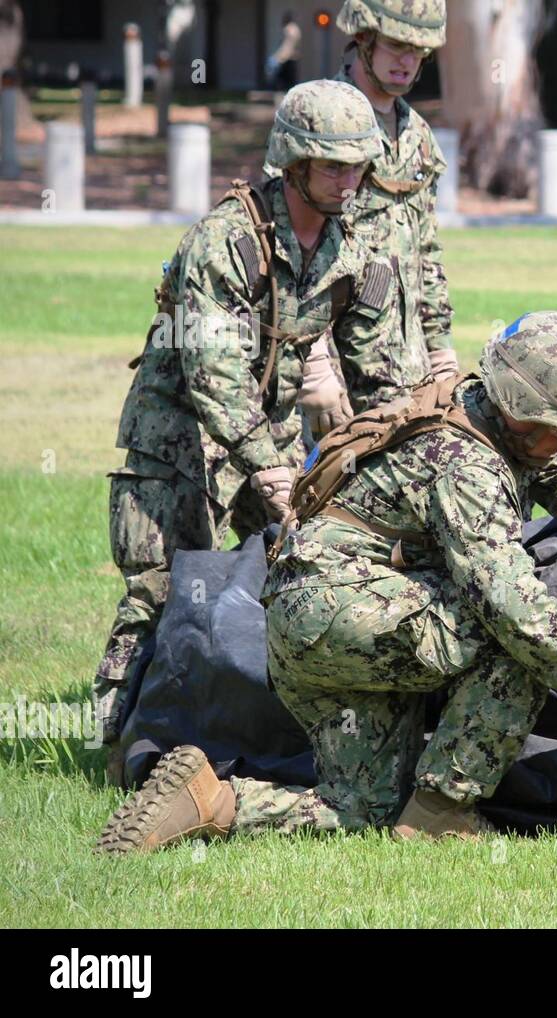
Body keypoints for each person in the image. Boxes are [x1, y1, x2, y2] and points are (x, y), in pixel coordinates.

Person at [95, 313, 557, 853]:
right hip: (347, 615)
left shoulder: (476, 409)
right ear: (519, 407)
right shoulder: (467, 463)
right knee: (522, 638)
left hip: (308, 624)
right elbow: (512, 603)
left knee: (361, 809)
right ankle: (444, 811)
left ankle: (207, 800)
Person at [93, 81, 400, 782]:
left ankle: (257, 725)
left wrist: (393, 453)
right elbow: (213, 377)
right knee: (162, 589)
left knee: (300, 565)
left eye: (359, 166)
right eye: (333, 167)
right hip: (180, 434)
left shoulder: (355, 246)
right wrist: (273, 469)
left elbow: (381, 371)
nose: (350, 182)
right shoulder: (222, 242)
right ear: (292, 164)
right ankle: (116, 747)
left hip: (271, 432)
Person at [333, 0, 459, 392]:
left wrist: (440, 349)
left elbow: (427, 251)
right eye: (397, 45)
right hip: (335, 366)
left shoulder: (418, 137)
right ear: (363, 37)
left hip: (407, 367)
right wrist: (316, 362)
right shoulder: (322, 121)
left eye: (419, 50)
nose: (408, 61)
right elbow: (287, 249)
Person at [269, 12, 301, 91]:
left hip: (288, 59)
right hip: (291, 58)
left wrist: (279, 57)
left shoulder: (290, 29)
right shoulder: (295, 28)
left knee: (283, 80)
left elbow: (287, 46)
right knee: (289, 81)